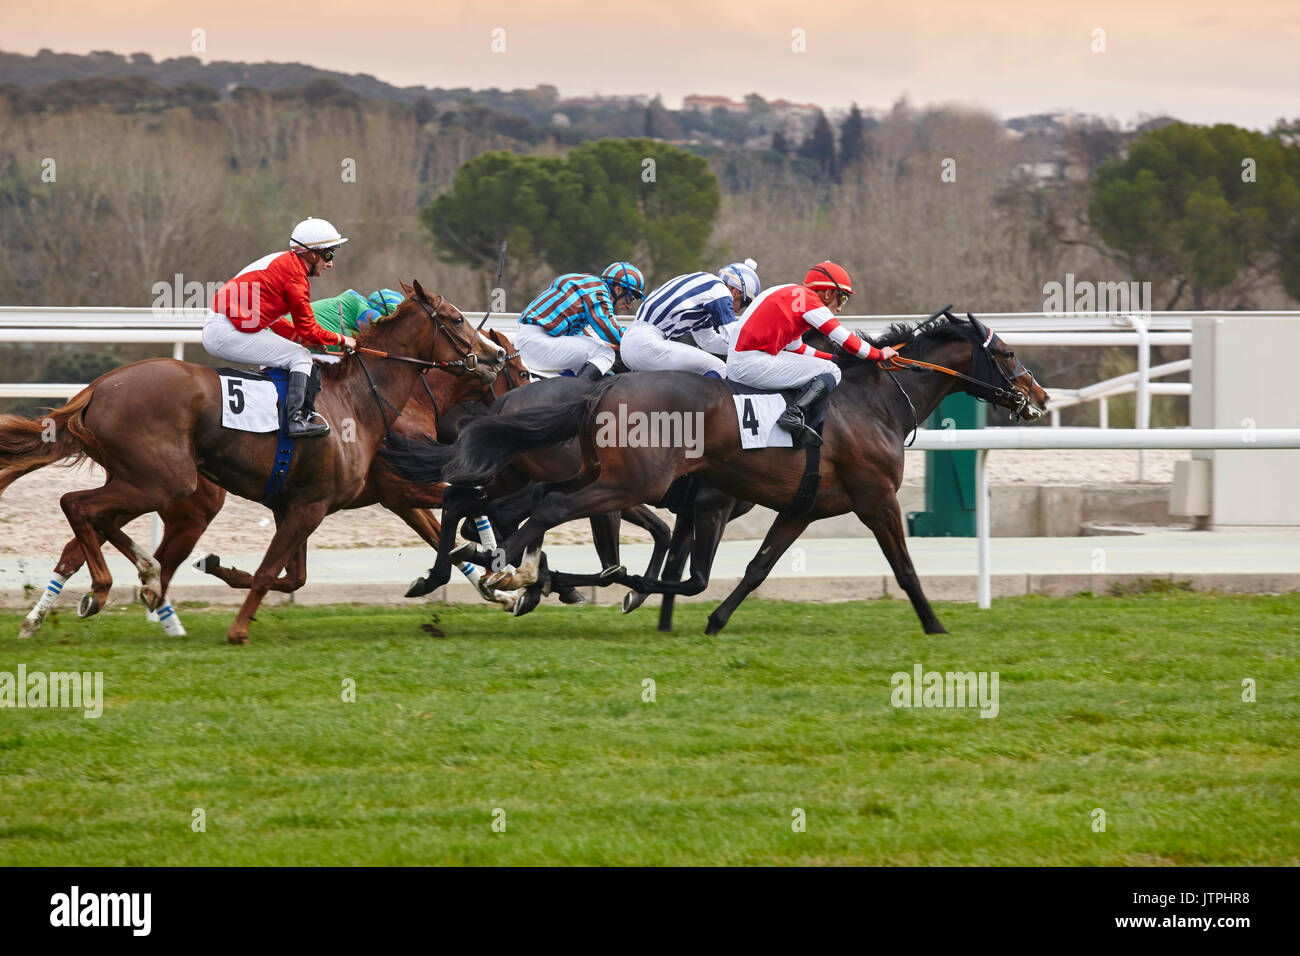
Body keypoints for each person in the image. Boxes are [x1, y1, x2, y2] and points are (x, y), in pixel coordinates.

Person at [204, 217, 355, 438]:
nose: (331, 263)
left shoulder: (286, 264)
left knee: (290, 352)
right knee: (301, 357)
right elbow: (309, 328)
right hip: (226, 331)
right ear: (312, 254)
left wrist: (310, 340)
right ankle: (295, 420)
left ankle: (269, 415)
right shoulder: (294, 277)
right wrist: (343, 340)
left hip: (225, 327)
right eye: (329, 254)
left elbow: (277, 322)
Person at [727, 260, 898, 446]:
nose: (840, 307)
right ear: (828, 292)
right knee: (833, 372)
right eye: (843, 297)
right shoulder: (811, 301)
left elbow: (797, 348)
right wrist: (879, 354)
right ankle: (793, 414)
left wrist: (834, 357)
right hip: (751, 363)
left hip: (746, 359)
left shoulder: (791, 295)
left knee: (830, 366)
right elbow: (847, 340)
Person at [621, 259, 760, 379]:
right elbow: (732, 337)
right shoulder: (720, 291)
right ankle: (702, 411)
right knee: (719, 368)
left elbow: (708, 342)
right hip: (647, 343)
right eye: (743, 304)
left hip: (629, 345)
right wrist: (758, 348)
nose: (736, 310)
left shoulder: (703, 291)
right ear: (736, 291)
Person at [514, 262, 645, 380]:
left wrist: (613, 344)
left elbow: (582, 336)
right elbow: (610, 330)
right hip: (536, 345)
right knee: (605, 353)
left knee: (598, 346)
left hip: (532, 340)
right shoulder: (598, 291)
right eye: (630, 299)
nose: (628, 306)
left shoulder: (587, 285)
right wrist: (640, 343)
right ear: (618, 289)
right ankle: (579, 391)